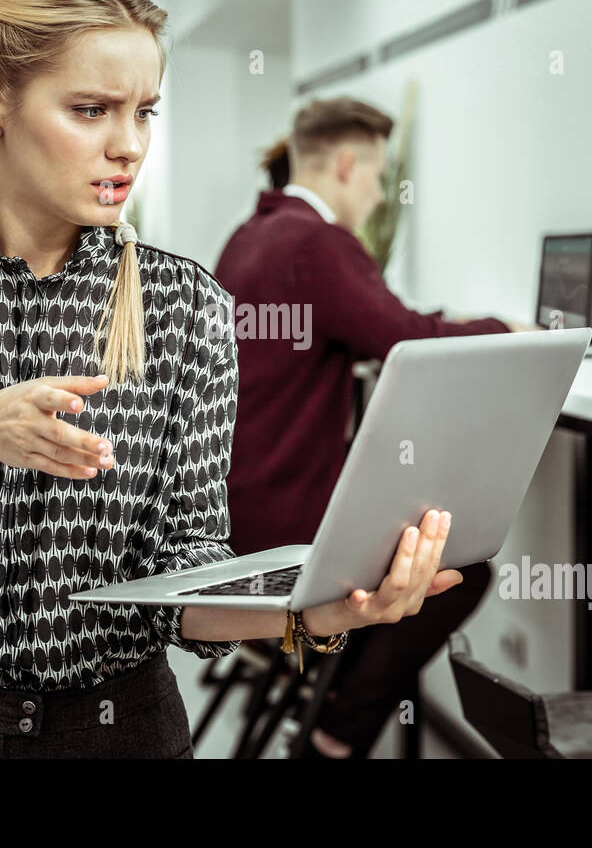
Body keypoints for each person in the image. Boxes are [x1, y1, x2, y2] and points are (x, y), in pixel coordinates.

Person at [0, 0, 463, 760]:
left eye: (144, 112)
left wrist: (313, 611)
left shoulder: (188, 307)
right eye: (90, 109)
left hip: (126, 731)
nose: (128, 145)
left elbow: (187, 576)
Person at [213, 96, 538, 759]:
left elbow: (380, 325)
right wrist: (509, 330)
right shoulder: (318, 242)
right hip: (284, 527)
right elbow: (407, 339)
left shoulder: (249, 236)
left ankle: (330, 697)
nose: (380, 191)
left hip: (235, 512)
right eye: (378, 175)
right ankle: (336, 736)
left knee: (424, 539)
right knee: (464, 569)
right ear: (343, 164)